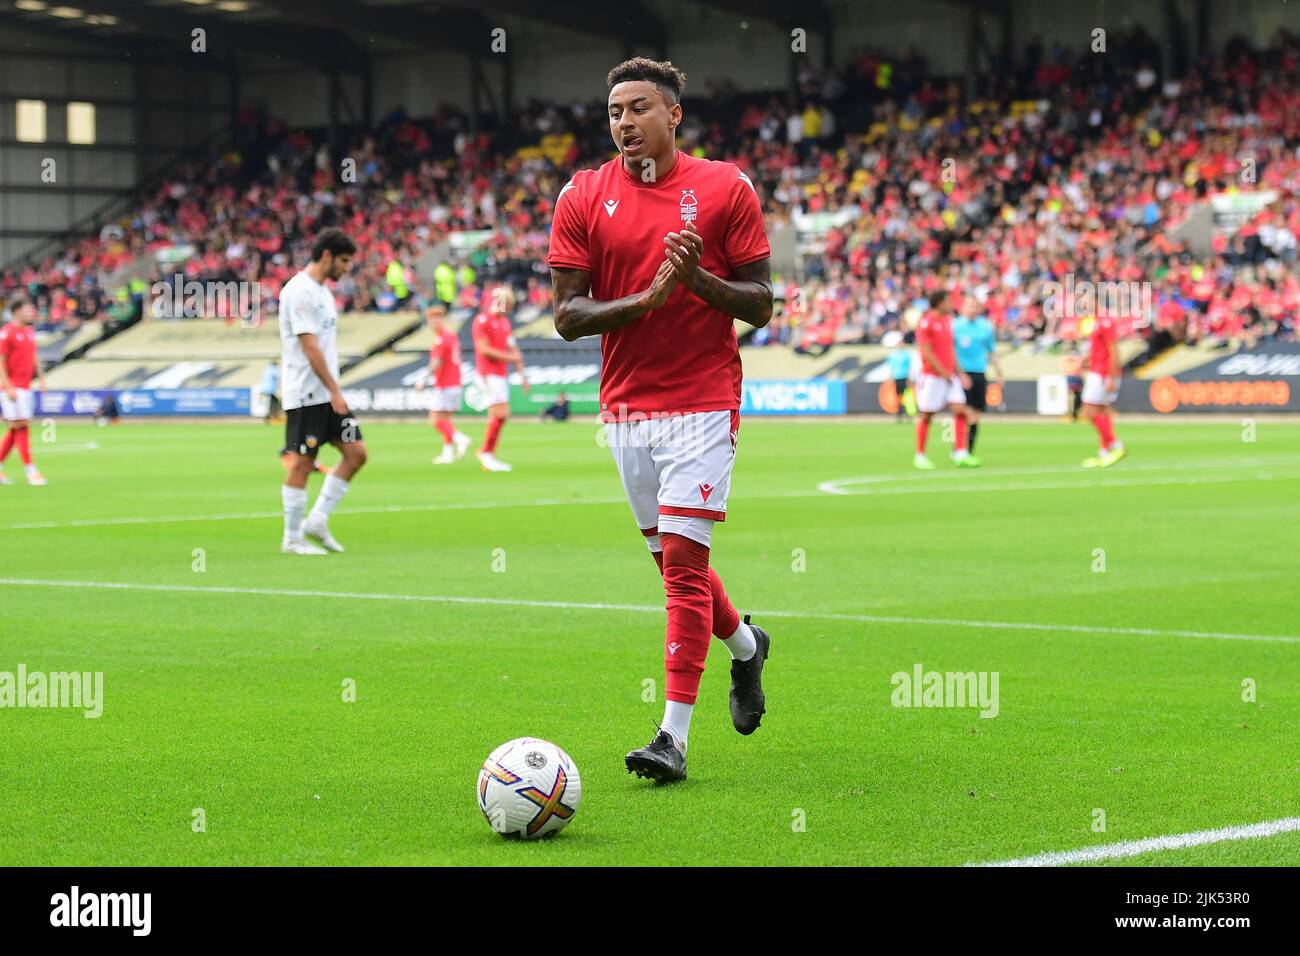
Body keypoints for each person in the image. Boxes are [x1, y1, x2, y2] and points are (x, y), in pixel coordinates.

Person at [548, 57, 772, 784]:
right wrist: (644, 302)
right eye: (614, 111)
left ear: (674, 115)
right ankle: (746, 650)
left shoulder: (725, 187)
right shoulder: (582, 195)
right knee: (676, 569)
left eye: (639, 109)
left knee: (682, 570)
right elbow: (567, 315)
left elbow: (761, 303)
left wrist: (696, 279)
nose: (624, 123)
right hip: (625, 408)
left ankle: (672, 738)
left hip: (703, 401)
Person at [278, 229, 368, 555]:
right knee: (303, 462)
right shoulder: (299, 291)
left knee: (356, 454)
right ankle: (291, 538)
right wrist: (335, 390)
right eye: (344, 261)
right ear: (326, 255)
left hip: (328, 394)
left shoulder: (324, 293)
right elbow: (310, 348)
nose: (347, 268)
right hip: (307, 393)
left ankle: (317, 520)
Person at [914, 289, 978, 469]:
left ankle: (960, 453)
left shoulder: (947, 321)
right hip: (933, 377)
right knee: (927, 415)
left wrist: (960, 372)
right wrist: (943, 373)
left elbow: (950, 350)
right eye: (949, 301)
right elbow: (926, 351)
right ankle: (920, 455)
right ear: (940, 302)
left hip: (950, 376)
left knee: (961, 411)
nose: (952, 304)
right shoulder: (926, 323)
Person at [472, 285, 528, 472]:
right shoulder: (482, 320)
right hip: (488, 374)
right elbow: (484, 349)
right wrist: (512, 359)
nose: (510, 309)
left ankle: (488, 454)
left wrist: (523, 375)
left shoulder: (504, 323)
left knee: (499, 415)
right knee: (501, 413)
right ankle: (486, 452)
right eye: (508, 304)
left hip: (500, 374)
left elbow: (514, 350)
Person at [0, 294, 47, 486]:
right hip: (12, 387)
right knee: (22, 426)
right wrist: (8, 386)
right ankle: (31, 470)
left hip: (26, 387)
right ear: (17, 312)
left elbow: (33, 356)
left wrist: (42, 378)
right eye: (28, 310)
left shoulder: (29, 332)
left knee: (16, 427)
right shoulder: (6, 333)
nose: (32, 313)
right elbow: (1, 362)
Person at [415, 303, 471, 464]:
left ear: (440, 320)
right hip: (455, 383)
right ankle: (448, 453)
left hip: (445, 384)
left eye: (434, 320)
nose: (432, 323)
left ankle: (460, 438)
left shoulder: (441, 339)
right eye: (430, 320)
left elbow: (436, 362)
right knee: (445, 419)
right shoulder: (451, 336)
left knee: (435, 420)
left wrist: (423, 380)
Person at [951, 299, 1004, 456]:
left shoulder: (985, 327)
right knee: (962, 411)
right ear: (962, 308)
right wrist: (959, 373)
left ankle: (968, 450)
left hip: (979, 373)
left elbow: (991, 351)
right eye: (969, 305)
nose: (972, 309)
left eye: (975, 306)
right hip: (961, 373)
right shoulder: (955, 326)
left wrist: (999, 372)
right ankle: (958, 448)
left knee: (975, 414)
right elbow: (949, 351)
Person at [1080, 314, 1127, 468]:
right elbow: (1099, 348)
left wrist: (1112, 378)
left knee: (1088, 411)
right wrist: (1087, 359)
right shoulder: (1096, 321)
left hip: (1103, 373)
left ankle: (1116, 445)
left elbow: (1113, 350)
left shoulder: (1106, 322)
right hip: (1097, 370)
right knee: (1102, 411)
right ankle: (1104, 453)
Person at [886, 339, 912, 422]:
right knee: (898, 396)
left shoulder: (906, 355)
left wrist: (908, 378)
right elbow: (891, 367)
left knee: (906, 397)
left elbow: (908, 367)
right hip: (897, 378)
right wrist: (891, 377)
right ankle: (899, 413)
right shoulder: (893, 355)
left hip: (904, 377)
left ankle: (908, 413)